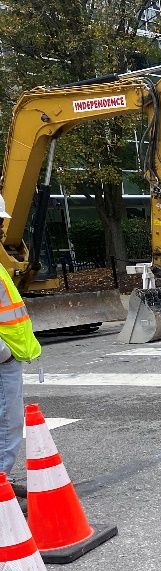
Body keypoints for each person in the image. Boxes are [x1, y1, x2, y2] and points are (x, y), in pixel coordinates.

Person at [0, 195, 41, 495]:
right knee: (7, 423)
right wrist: (5, 353)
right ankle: (1, 484)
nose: (3, 229)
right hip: (2, 361)